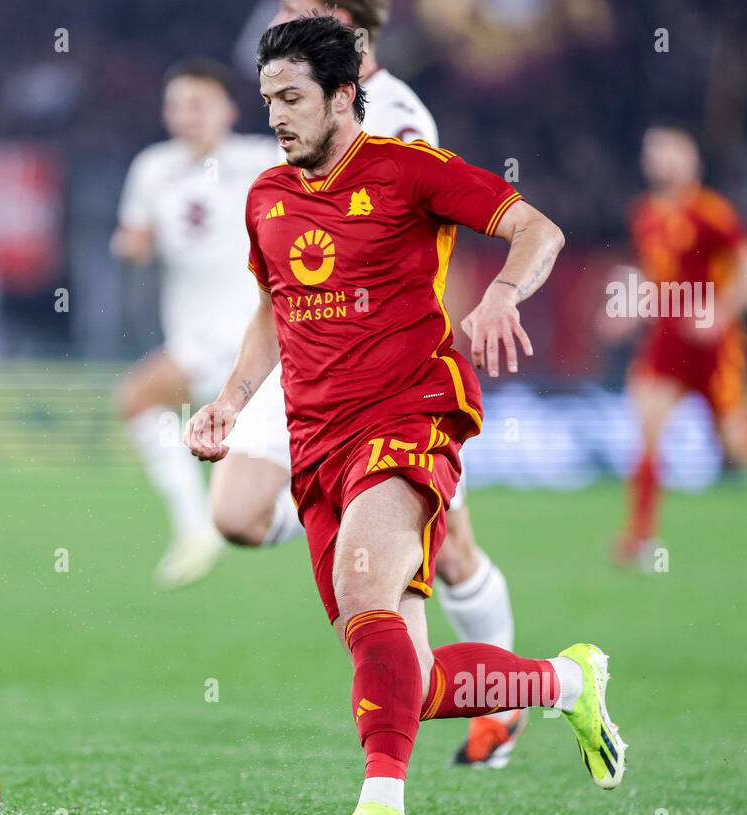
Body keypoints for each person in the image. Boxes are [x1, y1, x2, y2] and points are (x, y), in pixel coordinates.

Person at [186, 16, 624, 815]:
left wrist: (501, 295)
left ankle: (383, 809)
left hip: (409, 414)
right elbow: (273, 309)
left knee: (364, 593)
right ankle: (570, 682)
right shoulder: (266, 197)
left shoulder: (407, 169)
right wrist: (233, 401)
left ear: (345, 95)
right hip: (316, 442)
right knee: (409, 681)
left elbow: (540, 231)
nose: (276, 117)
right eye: (268, 99)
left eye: (293, 99)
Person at [212, 0, 525, 769]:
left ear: (348, 27)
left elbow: (425, 238)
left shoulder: (401, 123)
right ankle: (545, 684)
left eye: (302, 6)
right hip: (308, 364)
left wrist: (492, 303)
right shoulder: (290, 110)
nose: (284, 12)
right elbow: (281, 266)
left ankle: (503, 712)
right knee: (236, 511)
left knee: (447, 558)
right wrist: (230, 397)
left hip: (395, 382)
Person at [112, 59, 280, 588]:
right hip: (191, 334)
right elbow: (133, 239)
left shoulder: (264, 158)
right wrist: (130, 247)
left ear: (228, 110)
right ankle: (199, 527)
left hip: (255, 335)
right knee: (140, 400)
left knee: (282, 460)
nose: (187, 115)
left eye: (198, 104)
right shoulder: (153, 168)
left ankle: (207, 526)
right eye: (177, 105)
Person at [614, 125, 747, 567]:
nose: (662, 159)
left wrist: (720, 309)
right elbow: (650, 275)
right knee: (647, 432)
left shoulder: (712, 212)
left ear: (691, 160)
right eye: (654, 152)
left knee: (735, 449)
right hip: (665, 344)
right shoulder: (644, 215)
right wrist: (624, 306)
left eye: (671, 151)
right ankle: (640, 540)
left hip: (715, 349)